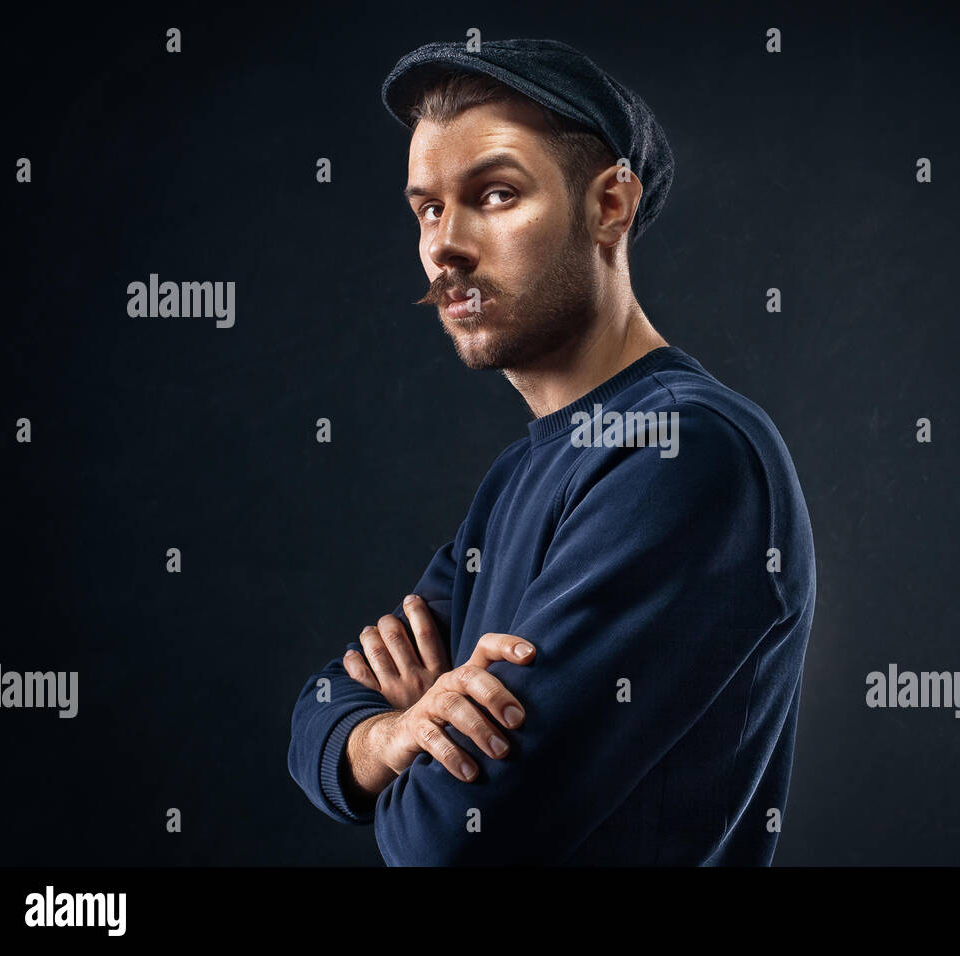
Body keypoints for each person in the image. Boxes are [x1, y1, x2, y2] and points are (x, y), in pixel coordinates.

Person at [287, 38, 816, 865]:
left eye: (494, 194)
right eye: (427, 208)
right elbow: (325, 703)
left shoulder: (682, 452)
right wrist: (388, 736)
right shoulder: (519, 476)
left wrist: (397, 776)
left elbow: (448, 839)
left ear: (610, 205)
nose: (443, 246)